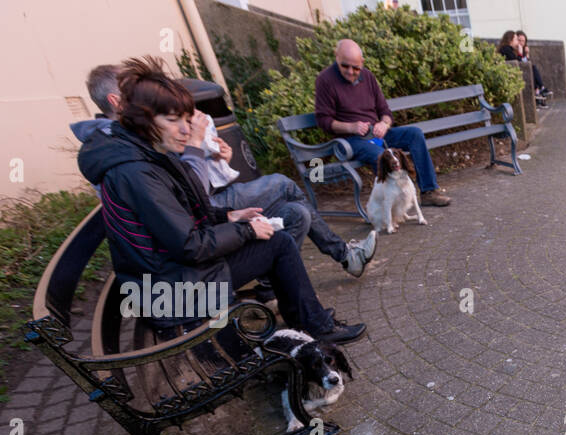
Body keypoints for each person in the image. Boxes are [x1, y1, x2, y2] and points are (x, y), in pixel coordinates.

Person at [77, 56, 365, 344]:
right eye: (173, 120)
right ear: (143, 120)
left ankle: (310, 323)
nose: (186, 130)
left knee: (279, 236)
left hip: (173, 277)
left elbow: (182, 210)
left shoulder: (143, 153)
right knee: (278, 243)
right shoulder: (136, 171)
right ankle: (316, 327)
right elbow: (190, 246)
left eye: (186, 119)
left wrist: (229, 217)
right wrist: (247, 230)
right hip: (172, 295)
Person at [315, 39, 451, 207]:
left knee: (415, 134)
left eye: (356, 68)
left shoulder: (368, 77)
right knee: (382, 155)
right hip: (351, 140)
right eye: (345, 66)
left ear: (362, 63)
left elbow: (385, 112)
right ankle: (395, 203)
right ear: (336, 57)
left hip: (377, 132)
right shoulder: (325, 80)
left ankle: (429, 191)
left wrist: (384, 124)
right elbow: (323, 121)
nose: (350, 72)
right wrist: (351, 127)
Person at [516, 31, 551, 104]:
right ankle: (540, 89)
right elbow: (521, 63)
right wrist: (520, 52)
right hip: (519, 72)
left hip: (526, 71)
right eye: (519, 40)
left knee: (533, 69)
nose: (521, 43)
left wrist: (527, 54)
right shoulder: (515, 50)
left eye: (523, 41)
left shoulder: (523, 50)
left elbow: (527, 63)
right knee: (533, 68)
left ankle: (538, 92)